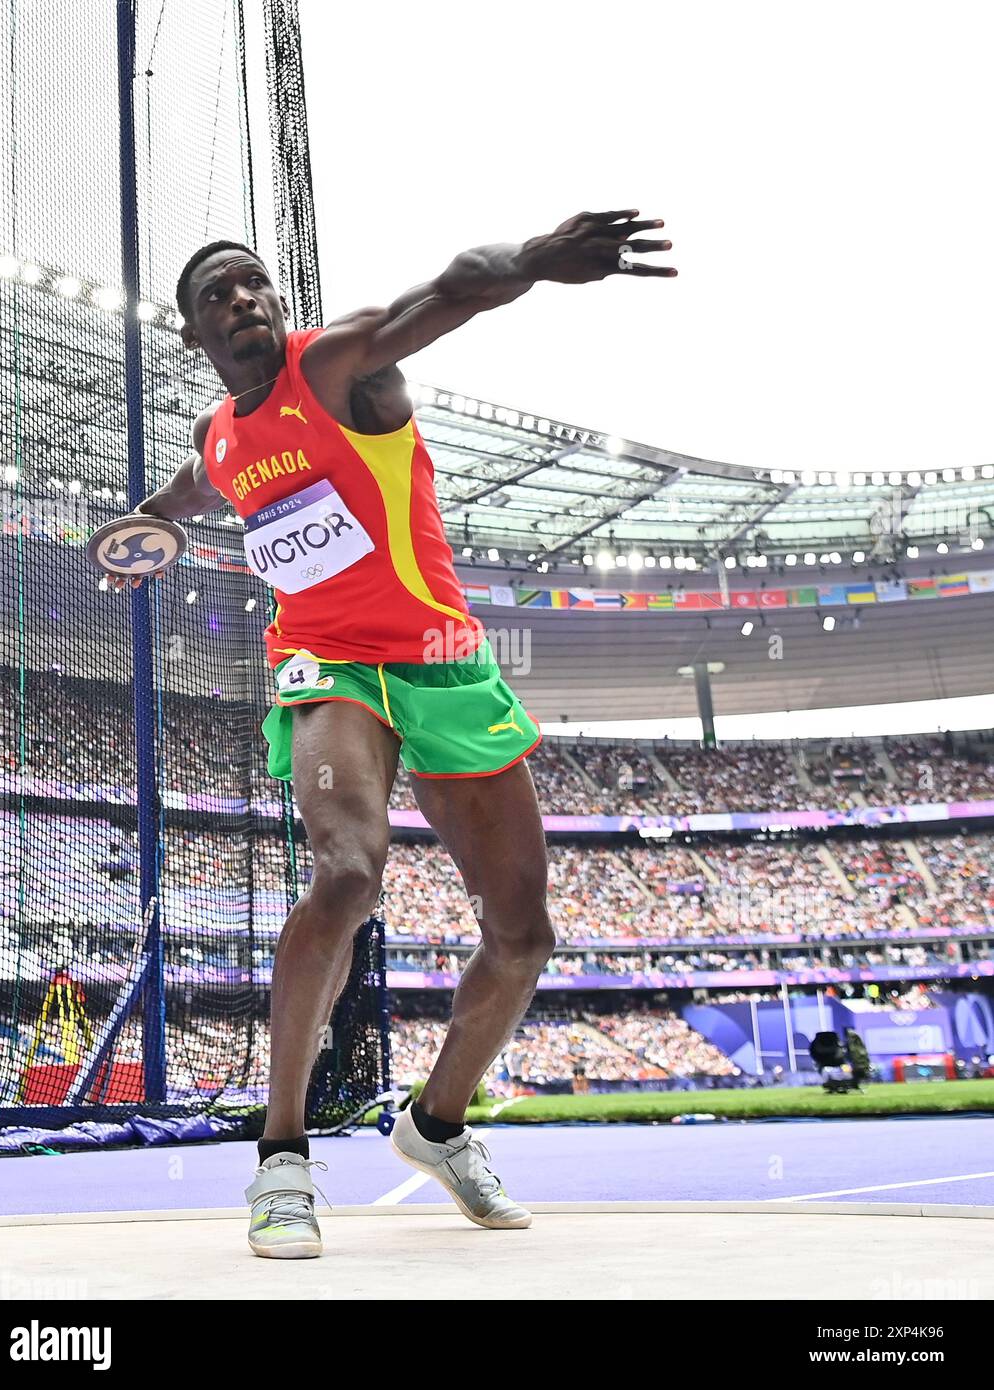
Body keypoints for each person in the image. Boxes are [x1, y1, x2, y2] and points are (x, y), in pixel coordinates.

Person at [112, 209, 676, 1257]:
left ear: (272, 303)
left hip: (440, 656)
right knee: (347, 872)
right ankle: (282, 1159)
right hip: (324, 662)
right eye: (213, 297)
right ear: (193, 333)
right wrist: (144, 524)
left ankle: (437, 1123)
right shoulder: (217, 433)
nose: (239, 301)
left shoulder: (328, 369)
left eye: (250, 285)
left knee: (522, 934)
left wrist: (534, 264)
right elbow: (197, 488)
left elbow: (442, 294)